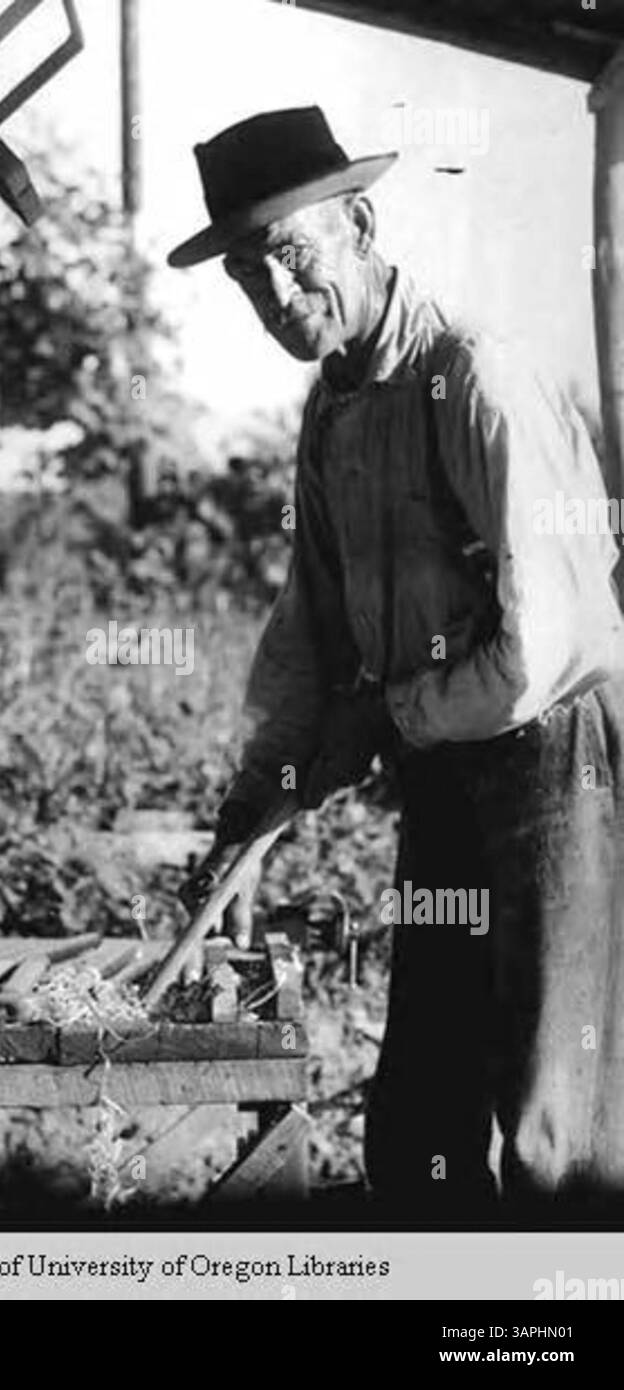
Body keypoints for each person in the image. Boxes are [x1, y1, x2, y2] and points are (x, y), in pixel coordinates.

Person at [169, 107, 624, 1212]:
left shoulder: (472, 374)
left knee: (551, 1125)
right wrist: (257, 805)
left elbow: (549, 646)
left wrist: (390, 719)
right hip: (441, 771)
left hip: (556, 762)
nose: (273, 297)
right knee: (419, 1109)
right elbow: (309, 645)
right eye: (244, 275)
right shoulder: (330, 412)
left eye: (289, 256)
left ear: (359, 222)